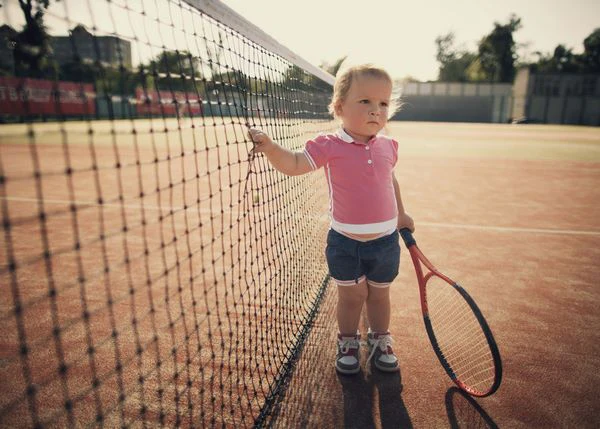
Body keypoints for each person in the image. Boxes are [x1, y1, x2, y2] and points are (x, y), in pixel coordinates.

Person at [248, 64, 414, 374]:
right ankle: (348, 341)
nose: (376, 110)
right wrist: (270, 148)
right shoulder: (328, 145)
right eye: (365, 101)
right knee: (352, 297)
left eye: (383, 103)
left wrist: (401, 214)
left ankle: (380, 339)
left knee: (379, 295)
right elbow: (296, 163)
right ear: (339, 108)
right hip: (346, 243)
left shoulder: (388, 147)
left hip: (386, 241)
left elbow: (389, 181)